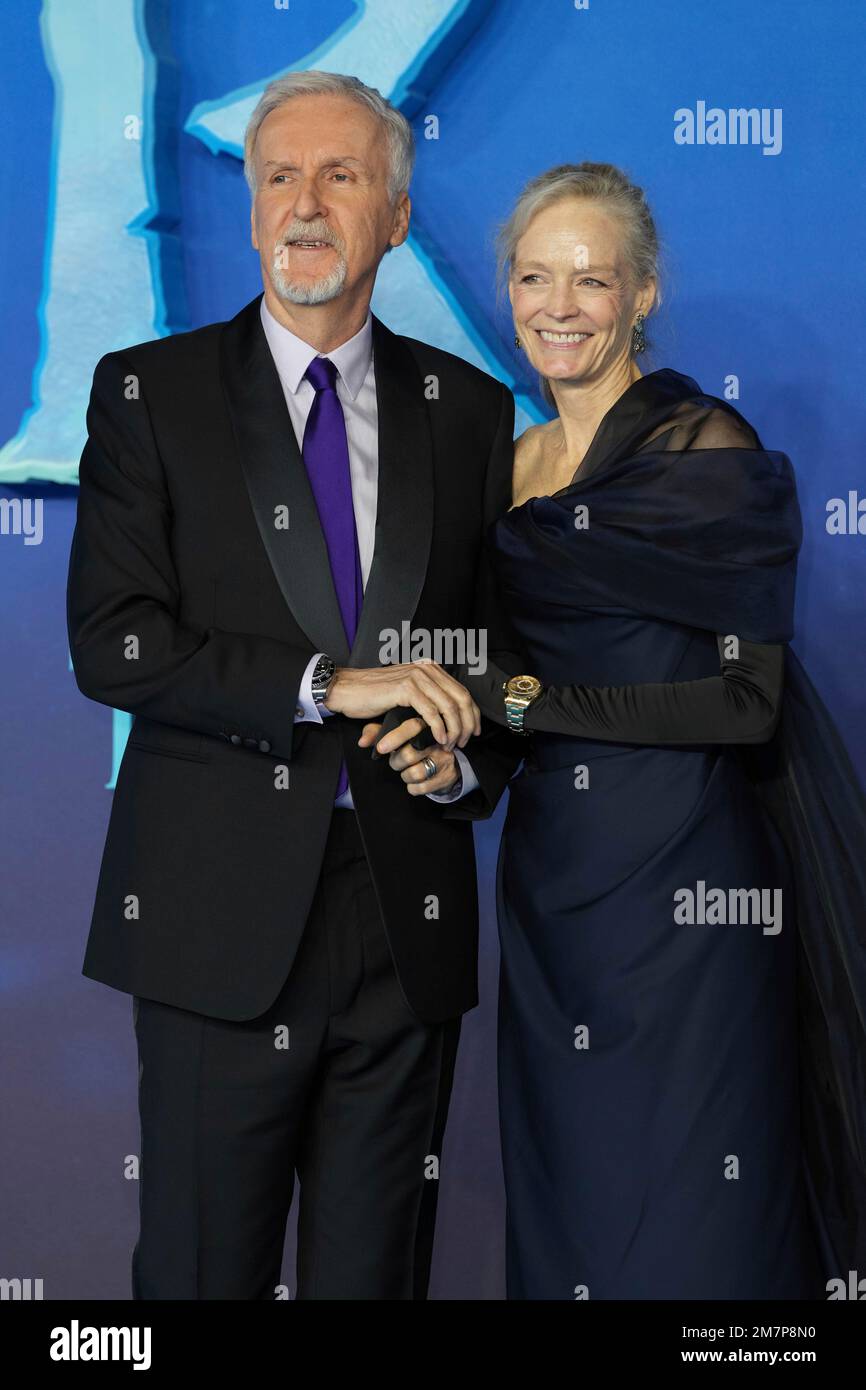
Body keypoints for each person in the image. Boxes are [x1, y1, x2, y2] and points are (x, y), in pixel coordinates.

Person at [372, 162, 866, 1299]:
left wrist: (530, 707)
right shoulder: (500, 474)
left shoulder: (707, 446)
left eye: (591, 280)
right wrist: (457, 758)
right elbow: (496, 706)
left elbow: (744, 703)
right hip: (557, 900)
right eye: (535, 276)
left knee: (704, 1221)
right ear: (505, 288)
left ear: (641, 295)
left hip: (693, 892)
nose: (558, 304)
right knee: (579, 1222)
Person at [66, 70, 523, 1300]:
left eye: (340, 175)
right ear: (252, 205)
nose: (304, 204)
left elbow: (489, 658)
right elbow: (113, 643)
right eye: (278, 175)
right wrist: (332, 684)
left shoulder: (470, 413)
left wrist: (462, 753)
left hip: (402, 919)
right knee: (199, 1280)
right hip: (214, 916)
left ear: (396, 215)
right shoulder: (145, 393)